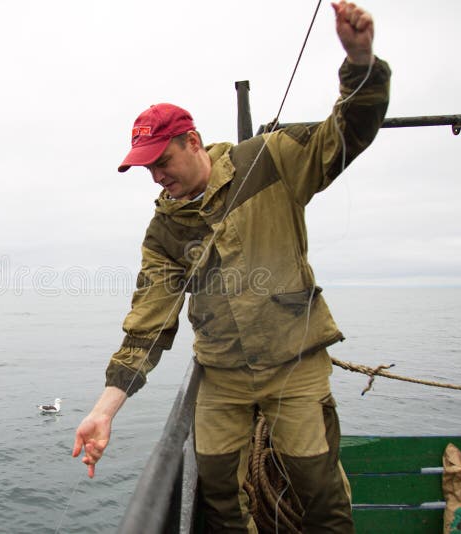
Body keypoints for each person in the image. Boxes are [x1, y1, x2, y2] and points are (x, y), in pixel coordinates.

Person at [72, 2, 390, 532]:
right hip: (221, 376)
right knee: (217, 493)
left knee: (319, 495)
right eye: (146, 169)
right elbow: (148, 326)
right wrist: (105, 410)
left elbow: (347, 133)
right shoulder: (164, 233)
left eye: (162, 162)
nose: (156, 178)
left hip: (296, 362)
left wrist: (360, 63)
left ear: (192, 142)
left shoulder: (271, 158)